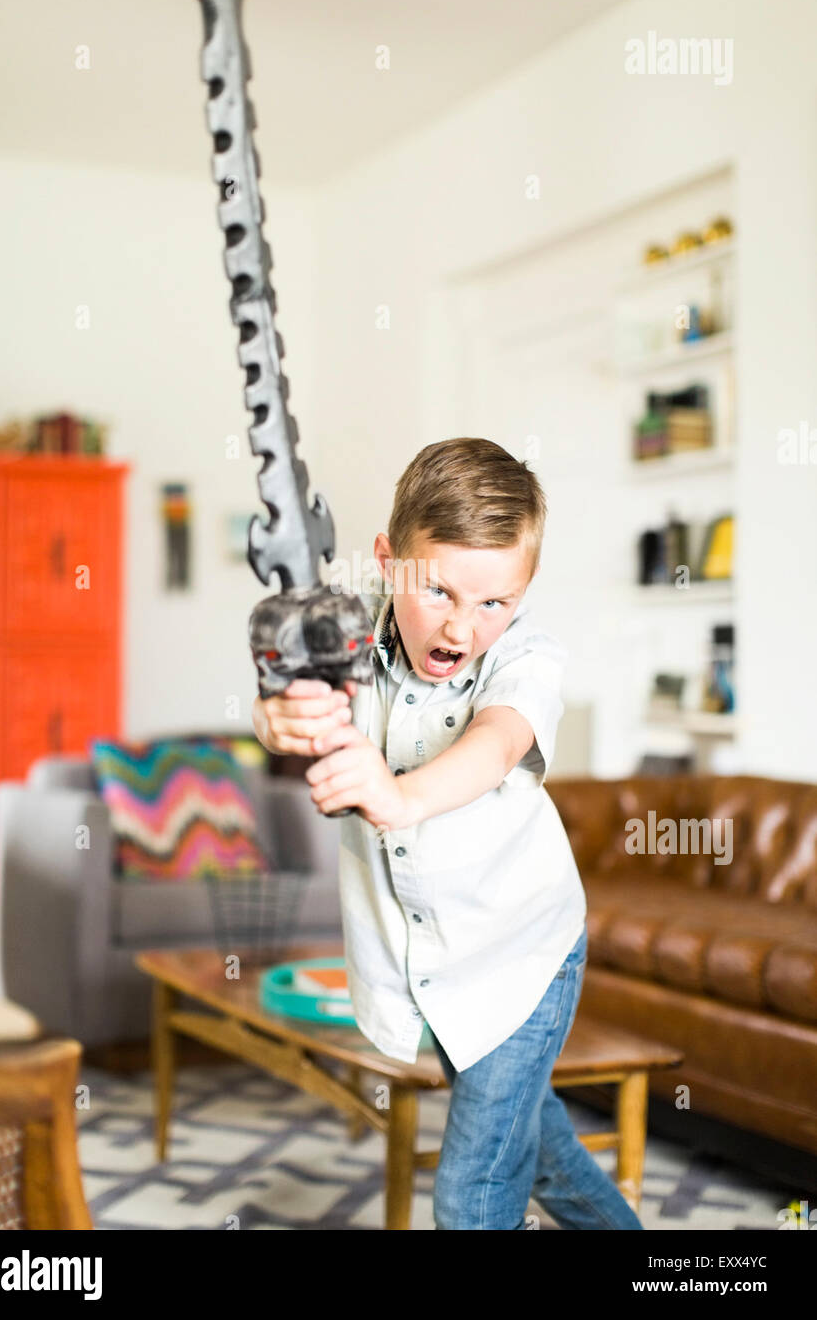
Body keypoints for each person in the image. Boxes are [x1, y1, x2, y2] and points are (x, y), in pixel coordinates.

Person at [252, 436, 643, 1231]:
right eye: (437, 591)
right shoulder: (350, 632)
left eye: (494, 602)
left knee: (473, 1194)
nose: (463, 628)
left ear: (522, 594)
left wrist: (399, 797)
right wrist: (278, 720)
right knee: (536, 1150)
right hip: (435, 971)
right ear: (388, 561)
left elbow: (496, 742)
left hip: (522, 960)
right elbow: (284, 711)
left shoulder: (525, 656)